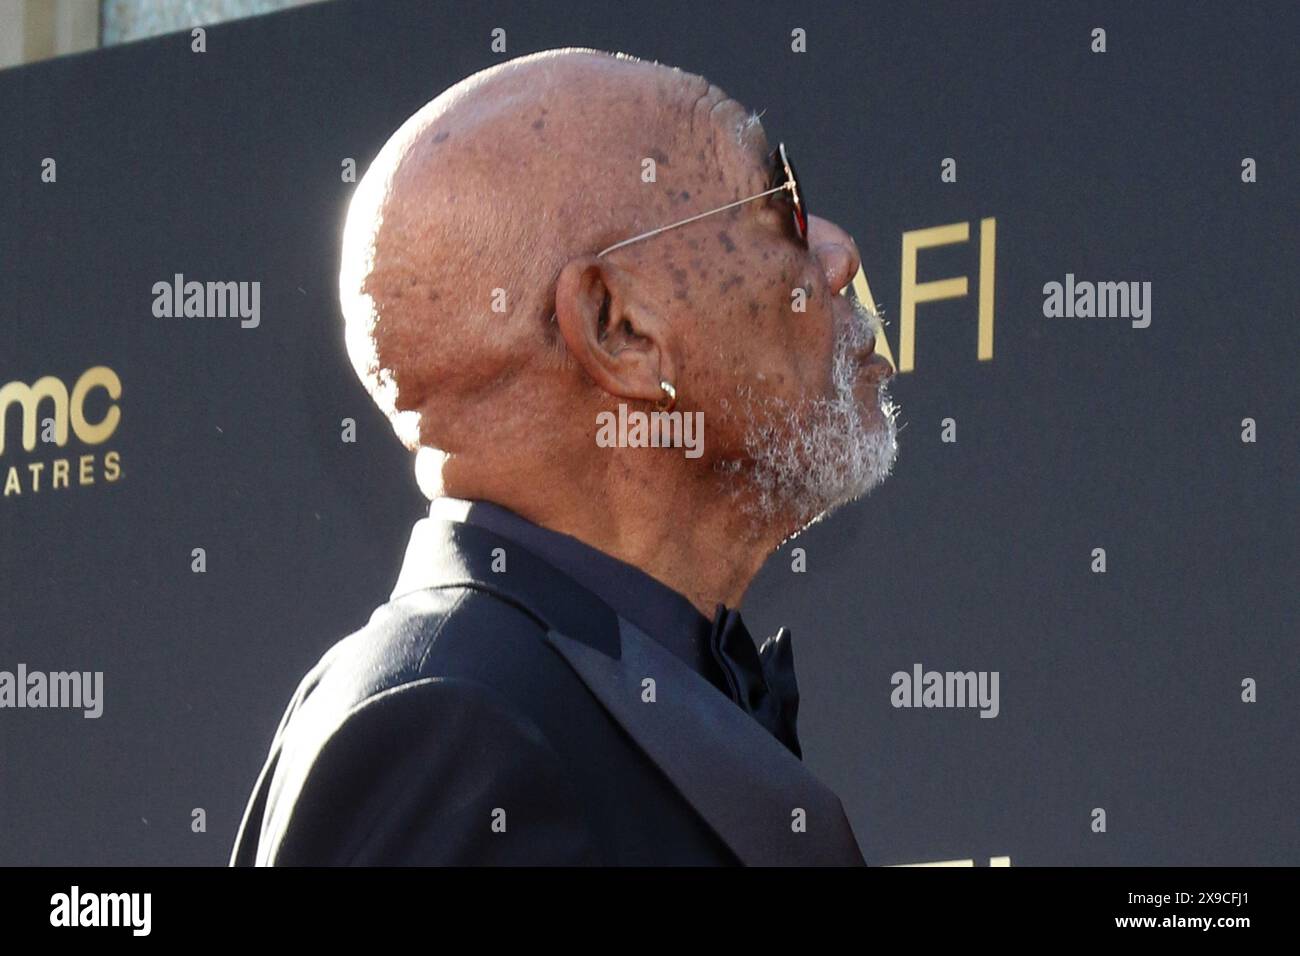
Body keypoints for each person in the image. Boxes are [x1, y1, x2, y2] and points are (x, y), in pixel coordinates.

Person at [231, 46, 898, 866]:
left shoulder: (594, 694)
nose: (837, 254)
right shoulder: (449, 727)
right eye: (782, 203)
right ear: (618, 328)